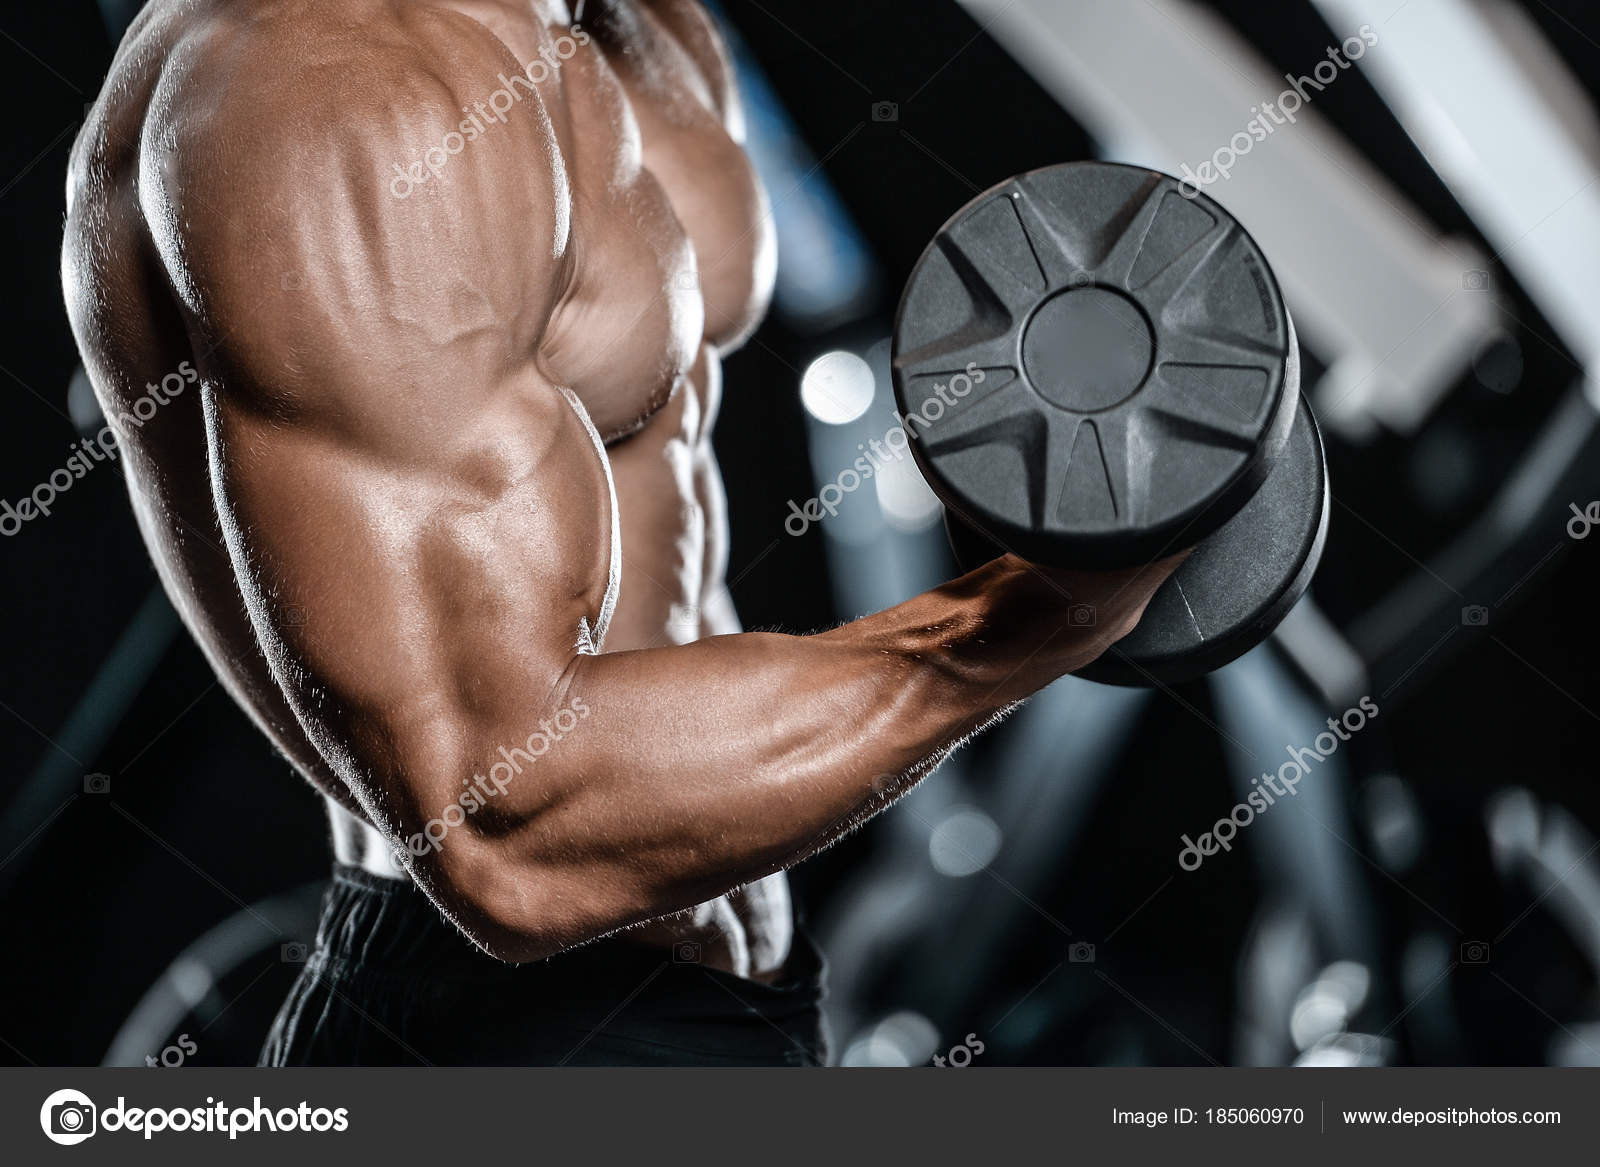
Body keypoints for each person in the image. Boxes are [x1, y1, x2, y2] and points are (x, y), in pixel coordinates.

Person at [62, 0, 1181, 1064]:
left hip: (752, 1006)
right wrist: (1030, 619)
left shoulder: (622, 27)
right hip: (509, 1056)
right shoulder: (325, 95)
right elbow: (507, 831)